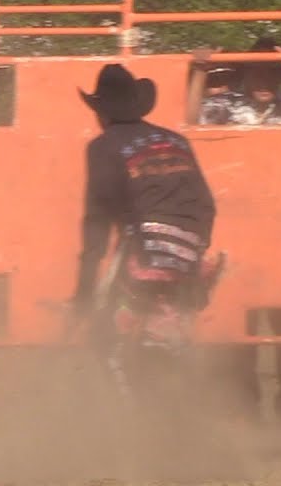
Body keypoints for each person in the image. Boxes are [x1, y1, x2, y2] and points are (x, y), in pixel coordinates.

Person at [71, 64, 221, 401]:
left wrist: (83, 291)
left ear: (101, 113)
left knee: (105, 336)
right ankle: (186, 405)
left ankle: (130, 412)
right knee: (172, 332)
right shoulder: (176, 141)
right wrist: (193, 251)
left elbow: (96, 221)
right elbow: (206, 205)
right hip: (189, 257)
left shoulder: (103, 146)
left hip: (144, 253)